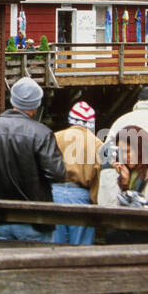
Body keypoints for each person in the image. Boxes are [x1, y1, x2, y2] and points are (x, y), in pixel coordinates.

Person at [0, 77, 67, 242]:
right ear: (35, 106)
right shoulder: (41, 132)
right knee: (36, 267)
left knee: (3, 267)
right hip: (35, 220)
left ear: (12, 100)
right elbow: (57, 174)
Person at [52, 101, 103, 245]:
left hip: (54, 193)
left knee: (52, 246)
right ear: (91, 123)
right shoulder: (98, 143)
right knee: (82, 248)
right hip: (81, 196)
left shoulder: (55, 137)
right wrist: (95, 202)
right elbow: (98, 177)